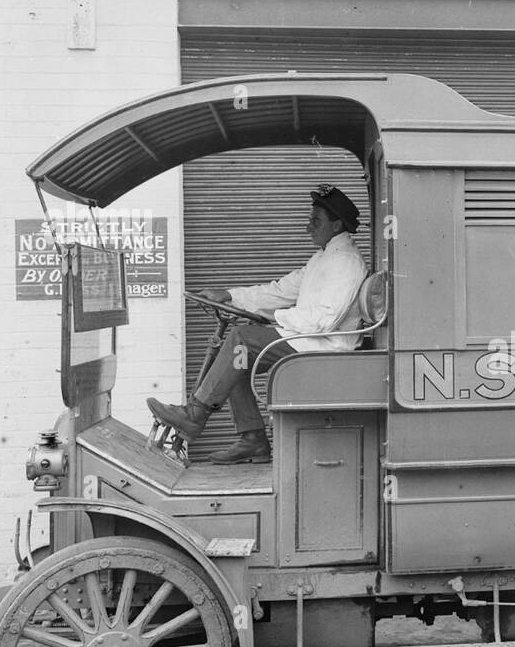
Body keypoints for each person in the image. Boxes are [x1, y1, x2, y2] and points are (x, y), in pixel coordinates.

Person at [147, 183, 368, 464]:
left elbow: (321, 321)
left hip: (325, 349)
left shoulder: (346, 263)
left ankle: (194, 415)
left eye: (315, 221)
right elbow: (279, 290)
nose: (308, 227)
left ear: (337, 225)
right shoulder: (324, 257)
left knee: (241, 340)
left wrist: (272, 317)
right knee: (237, 360)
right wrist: (229, 295)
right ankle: (253, 440)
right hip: (306, 341)